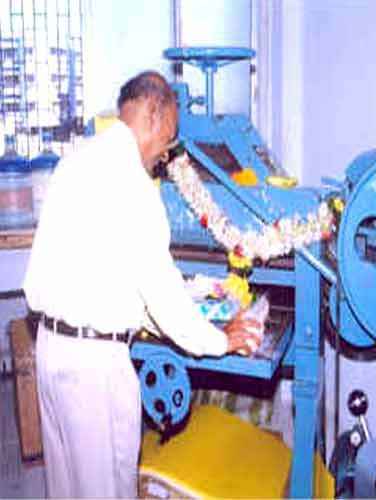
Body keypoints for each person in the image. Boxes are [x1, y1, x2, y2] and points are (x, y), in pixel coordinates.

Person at [23, 71, 262, 498]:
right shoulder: (133, 184)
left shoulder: (75, 161)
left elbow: (104, 268)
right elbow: (163, 298)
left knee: (65, 489)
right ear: (153, 115)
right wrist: (220, 340)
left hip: (51, 352)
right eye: (170, 135)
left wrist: (187, 295)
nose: (167, 152)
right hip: (94, 370)